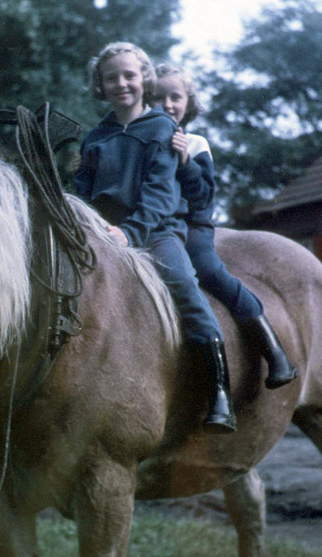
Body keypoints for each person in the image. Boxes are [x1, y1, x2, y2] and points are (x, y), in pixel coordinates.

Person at [75, 41, 236, 434]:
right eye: (111, 77)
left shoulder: (162, 128)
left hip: (155, 231)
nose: (121, 84)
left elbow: (161, 194)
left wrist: (130, 232)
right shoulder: (95, 137)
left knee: (184, 286)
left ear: (144, 78)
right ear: (100, 85)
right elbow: (82, 192)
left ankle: (219, 394)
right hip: (104, 232)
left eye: (129, 75)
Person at [153, 62, 298, 389]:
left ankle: (274, 350)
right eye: (157, 97)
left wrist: (185, 161)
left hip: (192, 225)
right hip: (157, 226)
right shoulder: (141, 145)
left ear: (188, 103)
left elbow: (202, 196)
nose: (167, 104)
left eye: (175, 97)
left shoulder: (195, 143)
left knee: (207, 268)